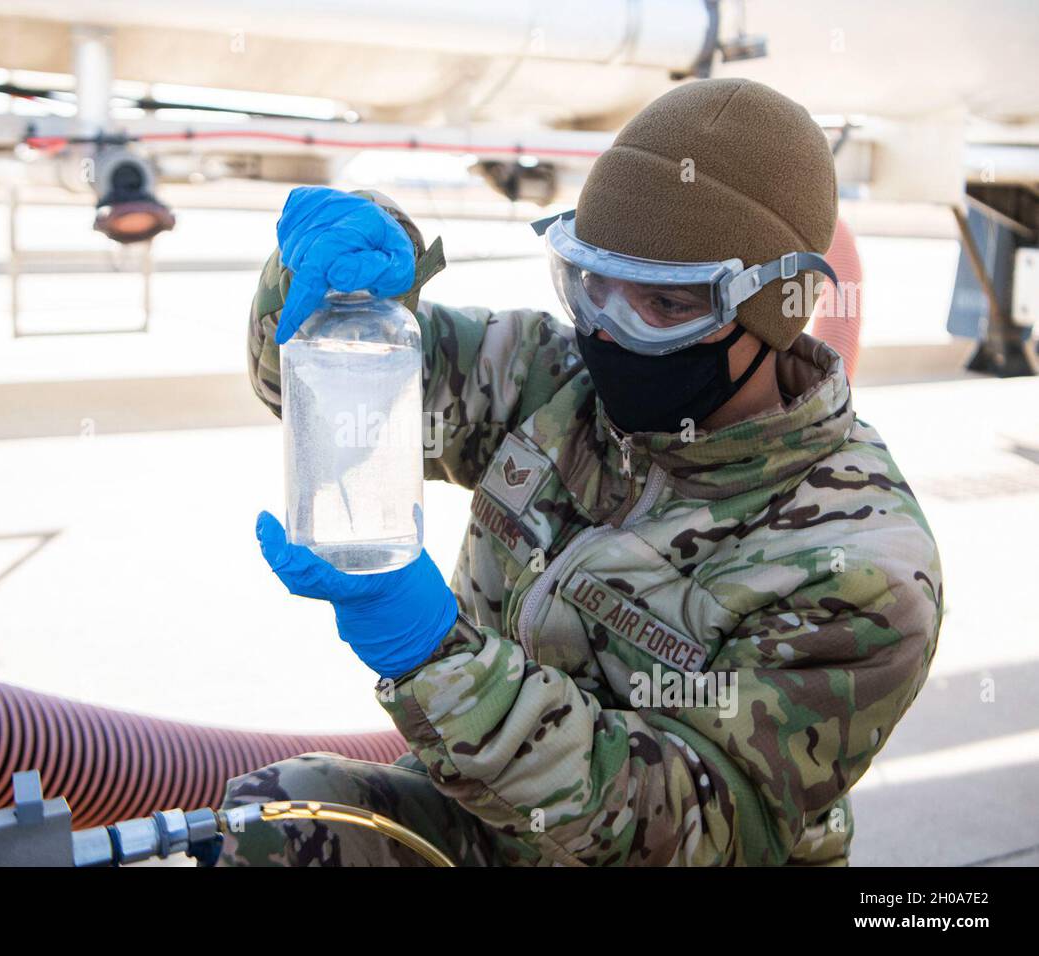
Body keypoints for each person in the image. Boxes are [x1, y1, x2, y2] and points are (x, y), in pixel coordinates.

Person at [223, 78, 943, 867]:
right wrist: (338, 290)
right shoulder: (553, 378)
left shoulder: (859, 568)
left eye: (665, 307)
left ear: (771, 312)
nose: (611, 329)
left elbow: (695, 831)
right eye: (591, 283)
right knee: (268, 832)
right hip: (494, 818)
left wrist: (435, 656)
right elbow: (309, 387)